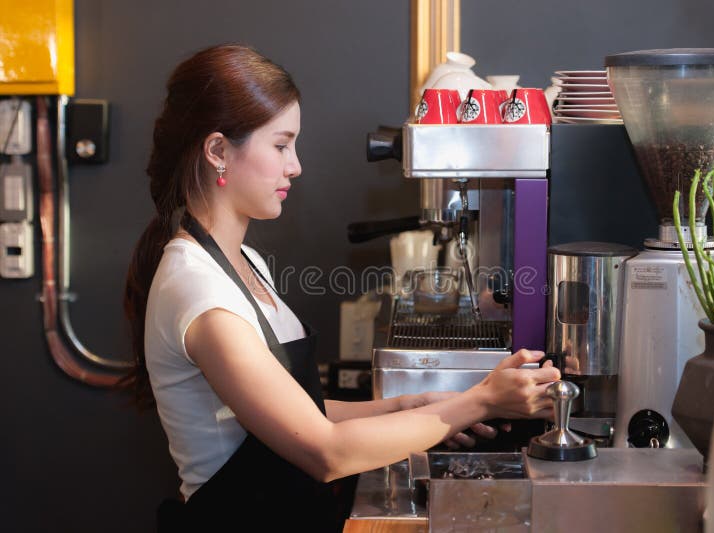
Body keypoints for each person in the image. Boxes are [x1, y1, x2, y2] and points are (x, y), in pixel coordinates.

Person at [123, 43, 560, 532]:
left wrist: (406, 408)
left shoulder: (241, 261)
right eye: (281, 144)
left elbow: (289, 412)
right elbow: (323, 452)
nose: (296, 165)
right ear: (219, 150)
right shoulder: (199, 296)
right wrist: (479, 402)